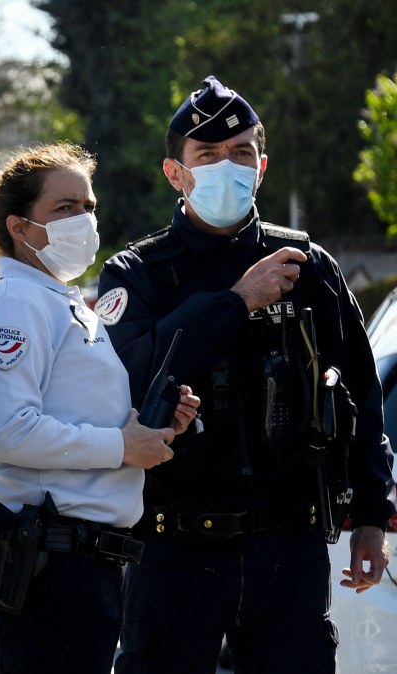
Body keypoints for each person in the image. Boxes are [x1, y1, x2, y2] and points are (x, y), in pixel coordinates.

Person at [97, 75, 395, 673]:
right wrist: (235, 303)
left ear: (261, 168)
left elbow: (360, 397)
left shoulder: (309, 267)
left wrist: (370, 516)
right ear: (175, 173)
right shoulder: (137, 272)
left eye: (240, 153)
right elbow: (130, 380)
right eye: (206, 155)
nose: (225, 166)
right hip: (174, 547)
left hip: (288, 548)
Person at [0, 143, 199, 674]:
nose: (83, 220)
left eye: (88, 206)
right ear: (18, 226)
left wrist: (145, 429)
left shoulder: (62, 303)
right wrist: (122, 447)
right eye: (64, 208)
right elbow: (10, 432)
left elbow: (79, 414)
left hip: (80, 564)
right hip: (48, 564)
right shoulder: (14, 303)